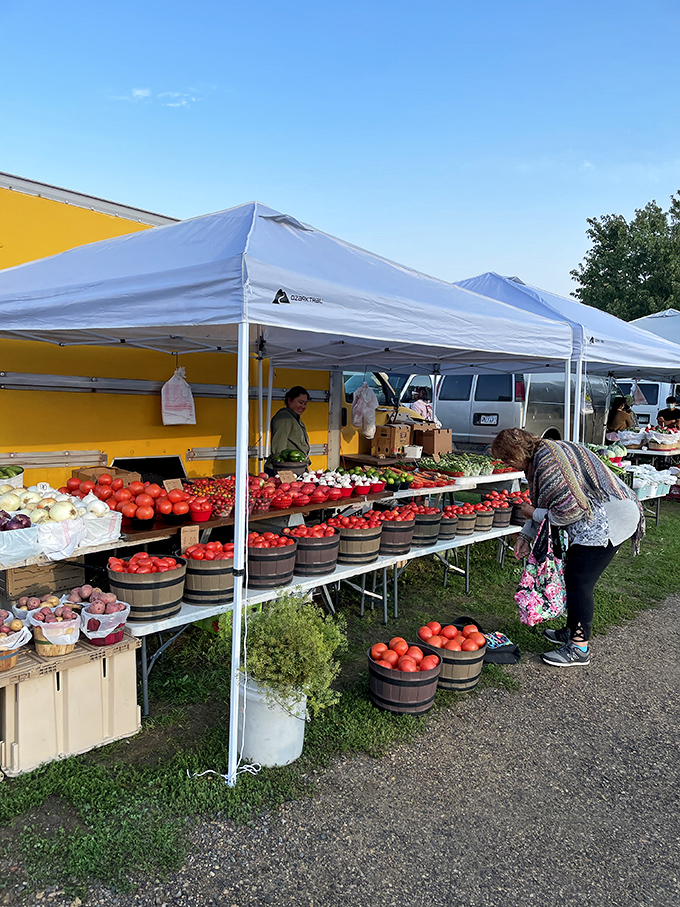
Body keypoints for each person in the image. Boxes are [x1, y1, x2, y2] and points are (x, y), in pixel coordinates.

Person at [491, 428, 644, 668]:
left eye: (506, 459)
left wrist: (533, 514)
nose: (506, 464)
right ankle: (571, 631)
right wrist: (525, 535)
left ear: (516, 454)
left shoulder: (546, 463)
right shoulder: (544, 454)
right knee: (573, 576)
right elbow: (548, 501)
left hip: (609, 519)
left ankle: (579, 648)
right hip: (604, 511)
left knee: (579, 581)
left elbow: (568, 512)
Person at [265, 386, 310, 475]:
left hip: (294, 468)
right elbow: (279, 449)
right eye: (300, 402)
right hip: (284, 469)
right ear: (290, 400)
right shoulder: (284, 417)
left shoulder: (295, 418)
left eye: (305, 403)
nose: (303, 406)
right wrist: (284, 472)